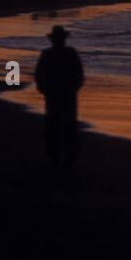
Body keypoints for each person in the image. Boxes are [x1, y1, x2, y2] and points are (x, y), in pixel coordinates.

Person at [34, 25, 85, 166]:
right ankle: (64, 157)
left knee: (55, 126)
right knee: (65, 126)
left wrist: (43, 88)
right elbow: (79, 74)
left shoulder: (49, 54)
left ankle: (57, 156)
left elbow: (38, 74)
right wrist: (75, 87)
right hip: (64, 94)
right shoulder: (69, 53)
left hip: (57, 94)